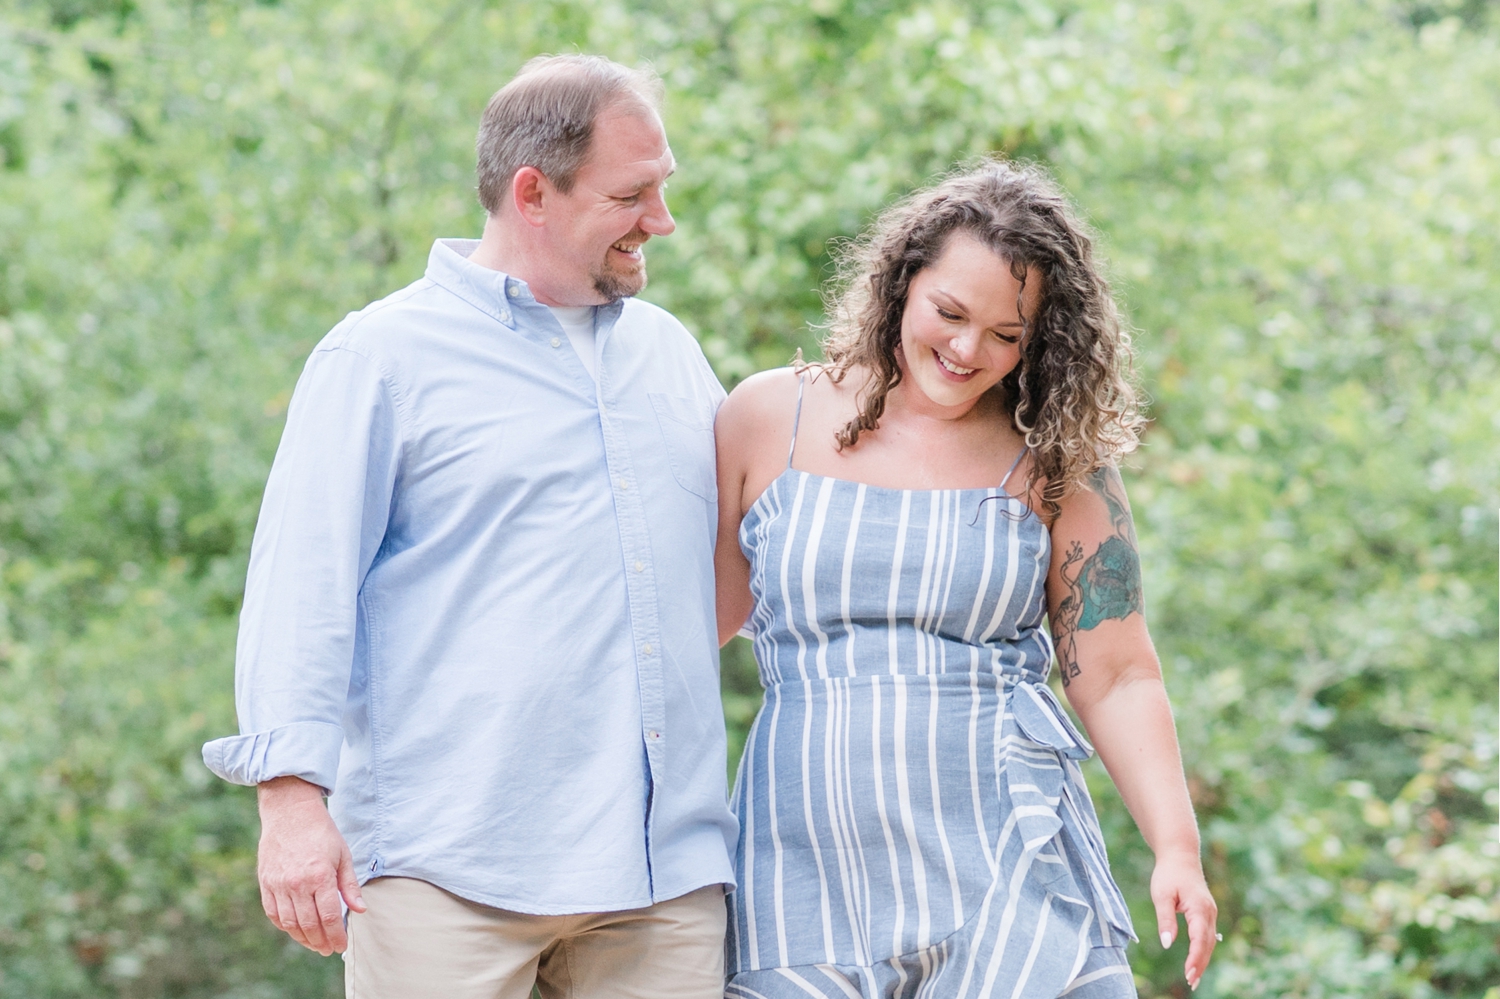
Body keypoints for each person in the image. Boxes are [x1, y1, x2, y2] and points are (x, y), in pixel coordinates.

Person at [201, 55, 736, 999]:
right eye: (631, 195)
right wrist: (290, 805)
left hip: (662, 876)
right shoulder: (381, 356)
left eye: (663, 187)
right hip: (447, 865)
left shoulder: (669, 352)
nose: (662, 220)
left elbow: (725, 575)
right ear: (533, 193)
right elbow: (300, 590)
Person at [713, 160, 1218, 998]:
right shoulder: (767, 415)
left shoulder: (1060, 462)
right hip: (801, 875)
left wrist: (1176, 846)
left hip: (1009, 870)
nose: (965, 349)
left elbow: (1118, 672)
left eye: (1005, 335)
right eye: (948, 313)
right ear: (902, 282)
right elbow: (692, 628)